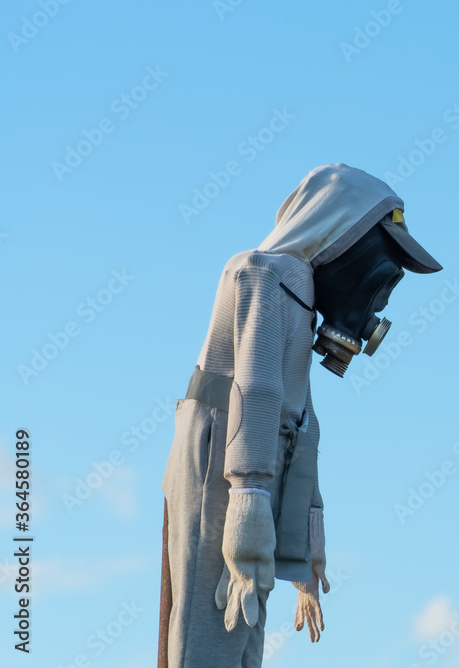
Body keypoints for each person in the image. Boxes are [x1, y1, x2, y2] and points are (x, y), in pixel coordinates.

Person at [158, 163, 442, 668]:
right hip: (223, 459)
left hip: (252, 464)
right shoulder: (265, 272)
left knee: (242, 629)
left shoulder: (298, 290)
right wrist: (247, 502)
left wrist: (304, 548)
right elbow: (256, 391)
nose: (384, 288)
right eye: (384, 264)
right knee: (209, 624)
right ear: (340, 232)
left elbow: (300, 425)